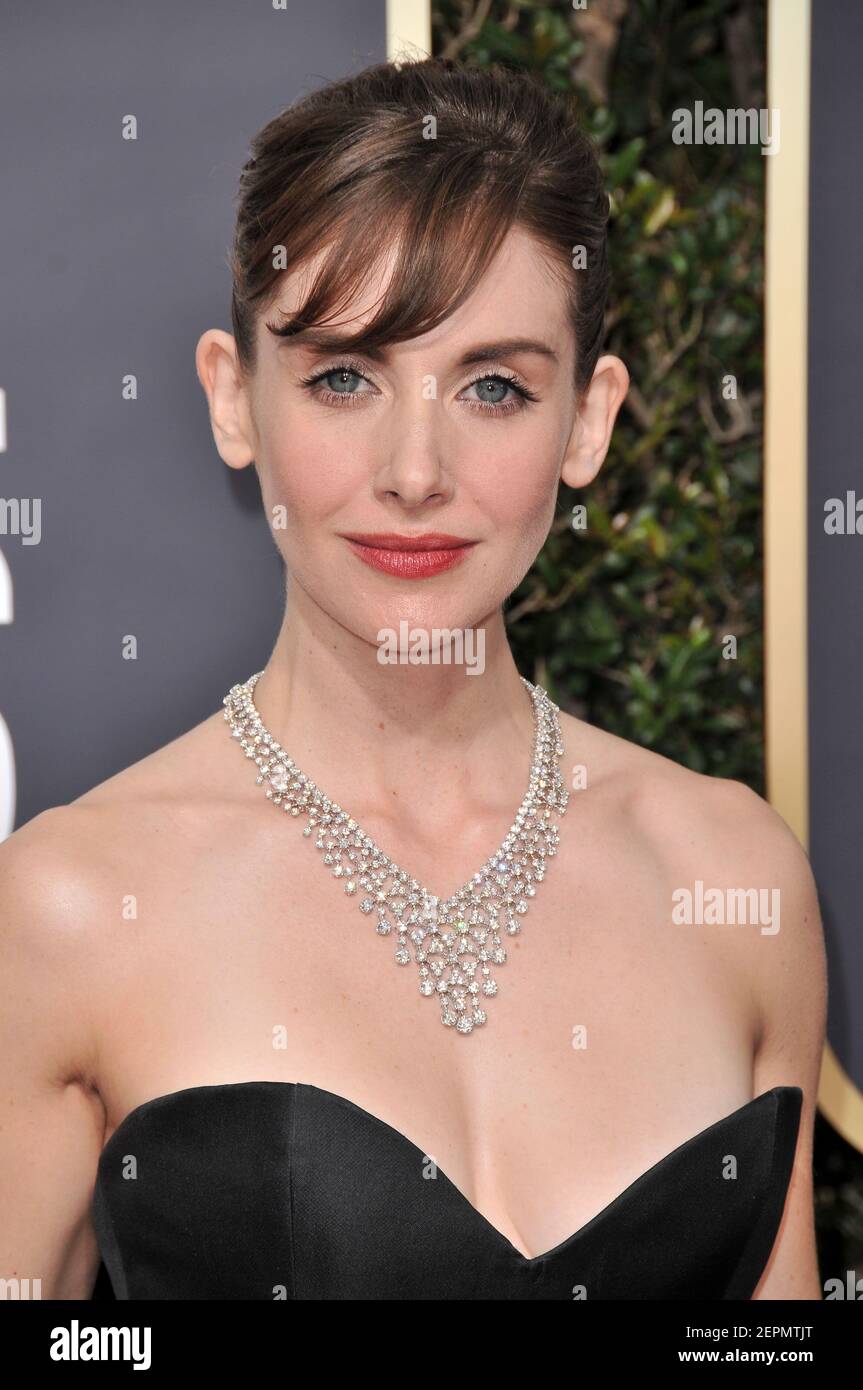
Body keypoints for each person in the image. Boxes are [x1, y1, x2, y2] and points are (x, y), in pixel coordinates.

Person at [0, 57, 826, 1300]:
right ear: (234, 399)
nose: (415, 469)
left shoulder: (733, 880)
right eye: (344, 376)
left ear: (588, 422)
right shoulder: (65, 910)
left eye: (494, 386)